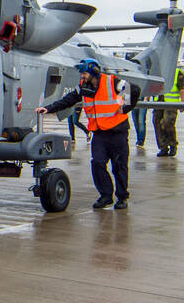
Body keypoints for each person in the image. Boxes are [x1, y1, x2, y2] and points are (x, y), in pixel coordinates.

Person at [37, 58, 133, 209]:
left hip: (117, 131)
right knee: (98, 163)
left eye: (84, 73)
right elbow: (68, 100)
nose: (82, 76)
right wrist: (48, 109)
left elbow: (132, 89)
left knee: (119, 166)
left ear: (94, 72)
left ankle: (122, 197)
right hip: (99, 132)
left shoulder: (112, 82)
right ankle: (106, 195)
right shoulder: (83, 86)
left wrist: (126, 108)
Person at [153, 67, 184, 158]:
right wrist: (146, 99)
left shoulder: (177, 73)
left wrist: (183, 103)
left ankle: (173, 144)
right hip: (158, 101)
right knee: (157, 123)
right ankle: (163, 147)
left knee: (167, 123)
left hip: (171, 103)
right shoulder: (157, 72)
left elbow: (182, 89)